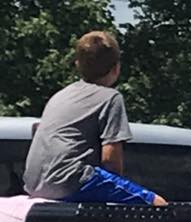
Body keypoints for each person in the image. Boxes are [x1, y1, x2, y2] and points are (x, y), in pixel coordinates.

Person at [24, 31, 167, 206]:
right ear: (116, 68)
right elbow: (110, 160)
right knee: (158, 205)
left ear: (78, 64)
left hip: (34, 185)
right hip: (70, 179)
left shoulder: (60, 96)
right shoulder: (111, 98)